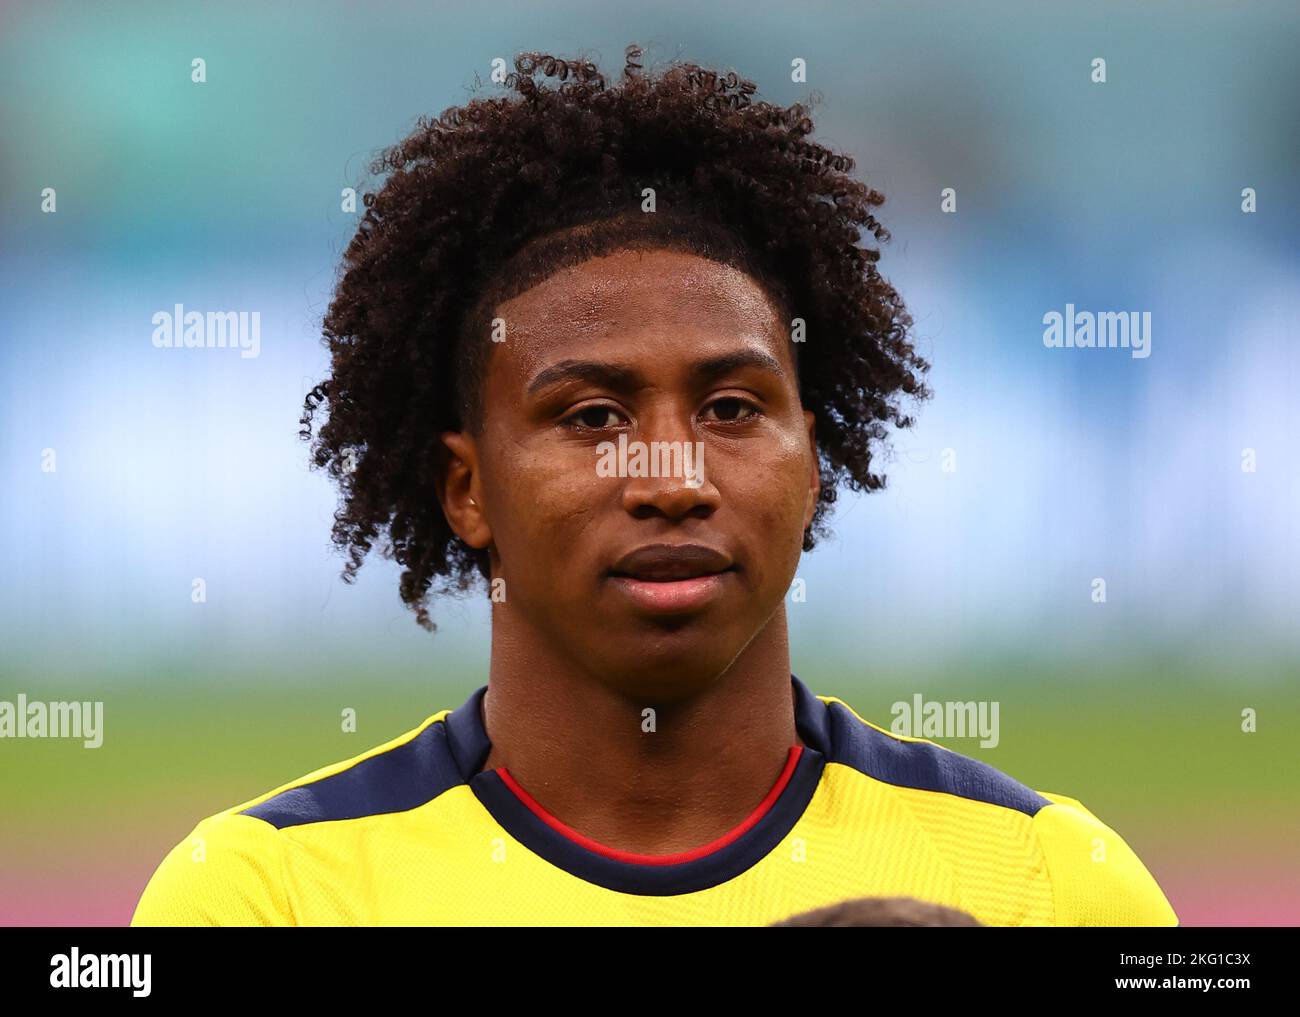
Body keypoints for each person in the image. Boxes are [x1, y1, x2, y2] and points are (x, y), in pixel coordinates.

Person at [132, 45, 1177, 926]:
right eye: (591, 417)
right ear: (467, 488)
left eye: (731, 410)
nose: (671, 478)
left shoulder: (1050, 886)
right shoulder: (264, 899)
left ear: (810, 460)